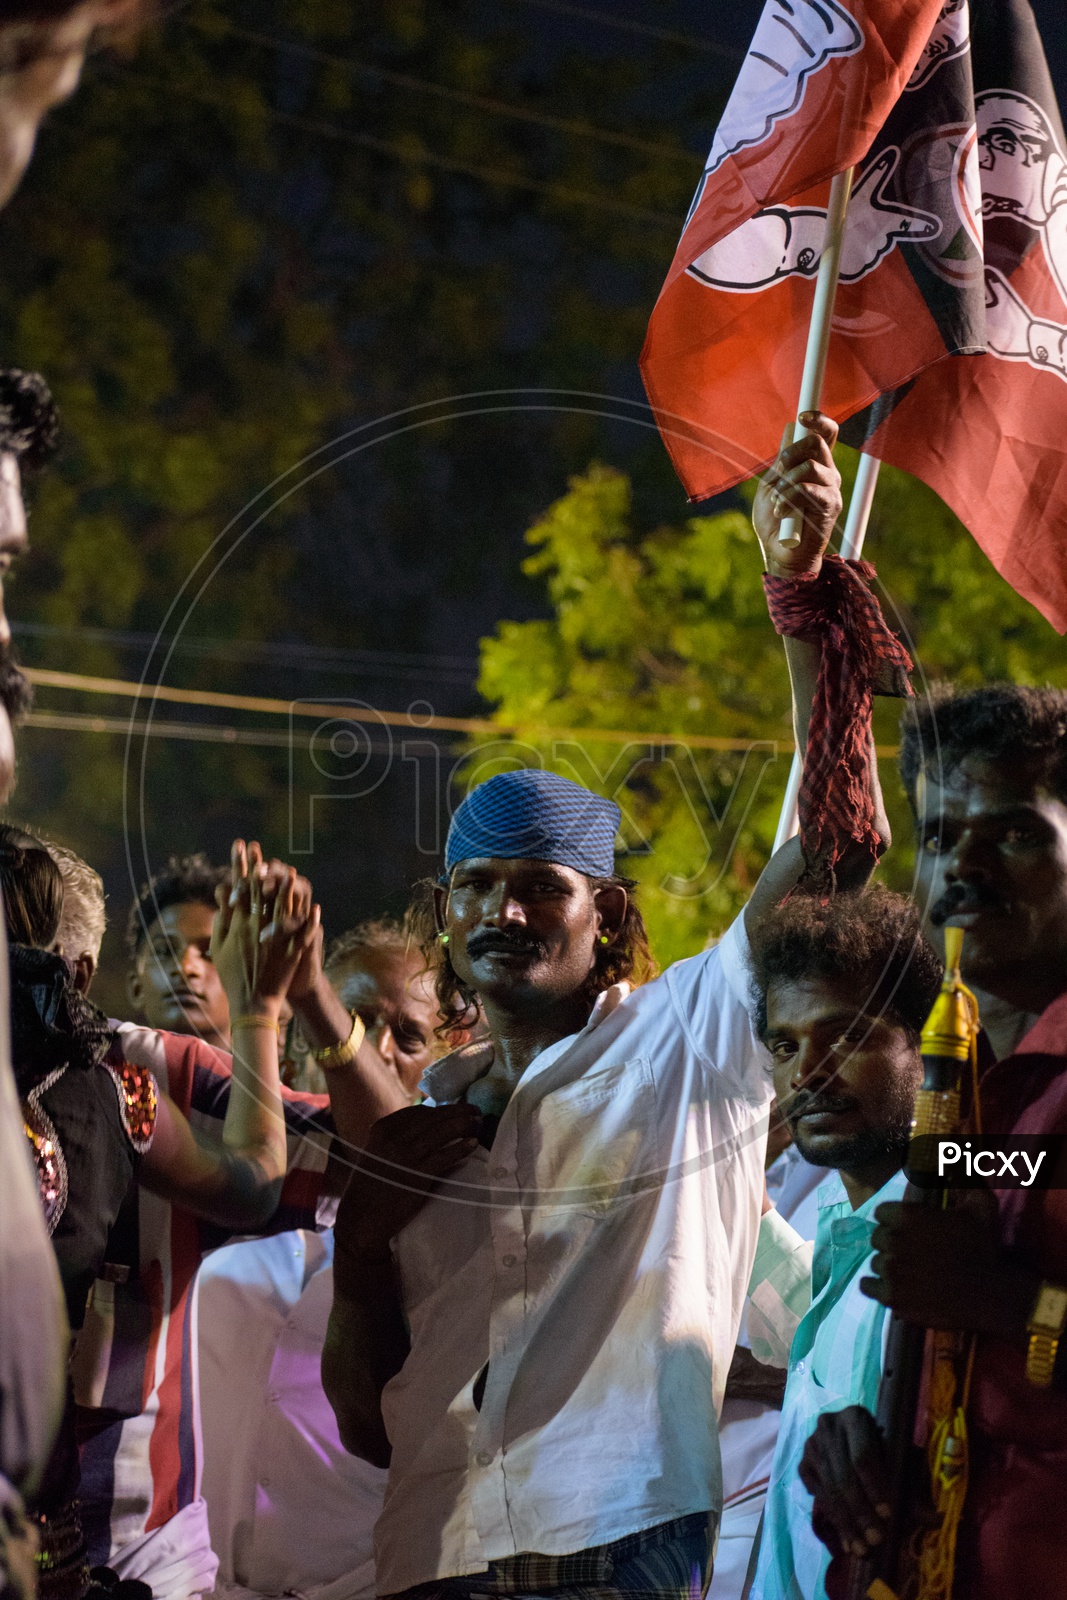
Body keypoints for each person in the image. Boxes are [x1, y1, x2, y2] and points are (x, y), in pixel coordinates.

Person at [321, 413, 896, 1600]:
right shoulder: (427, 1118)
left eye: (541, 887)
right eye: (476, 888)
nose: (504, 913)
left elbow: (832, 847)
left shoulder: (691, 1038)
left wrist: (794, 593)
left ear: (607, 915)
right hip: (425, 1550)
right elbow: (372, 1430)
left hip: (615, 1543)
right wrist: (362, 1246)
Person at [800, 683, 1067, 1600]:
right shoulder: (984, 1106)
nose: (964, 868)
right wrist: (856, 1448)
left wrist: (1011, 1305)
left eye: (1016, 833)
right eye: (941, 838)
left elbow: (1005, 1303)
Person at [6, 830, 307, 1599]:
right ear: (82, 972)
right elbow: (254, 1180)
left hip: (98, 1550)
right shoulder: (111, 1089)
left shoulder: (127, 1081)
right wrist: (261, 1014)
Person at [196, 917, 446, 1600]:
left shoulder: (451, 1214)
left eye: (409, 1035)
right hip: (188, 1576)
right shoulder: (221, 1154)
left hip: (362, 1580)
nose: (376, 1048)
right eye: (353, 1016)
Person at [739, 886, 942, 1600]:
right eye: (786, 1047)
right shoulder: (832, 1213)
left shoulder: (951, 1226)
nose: (807, 1073)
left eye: (846, 1036)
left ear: (924, 1046)